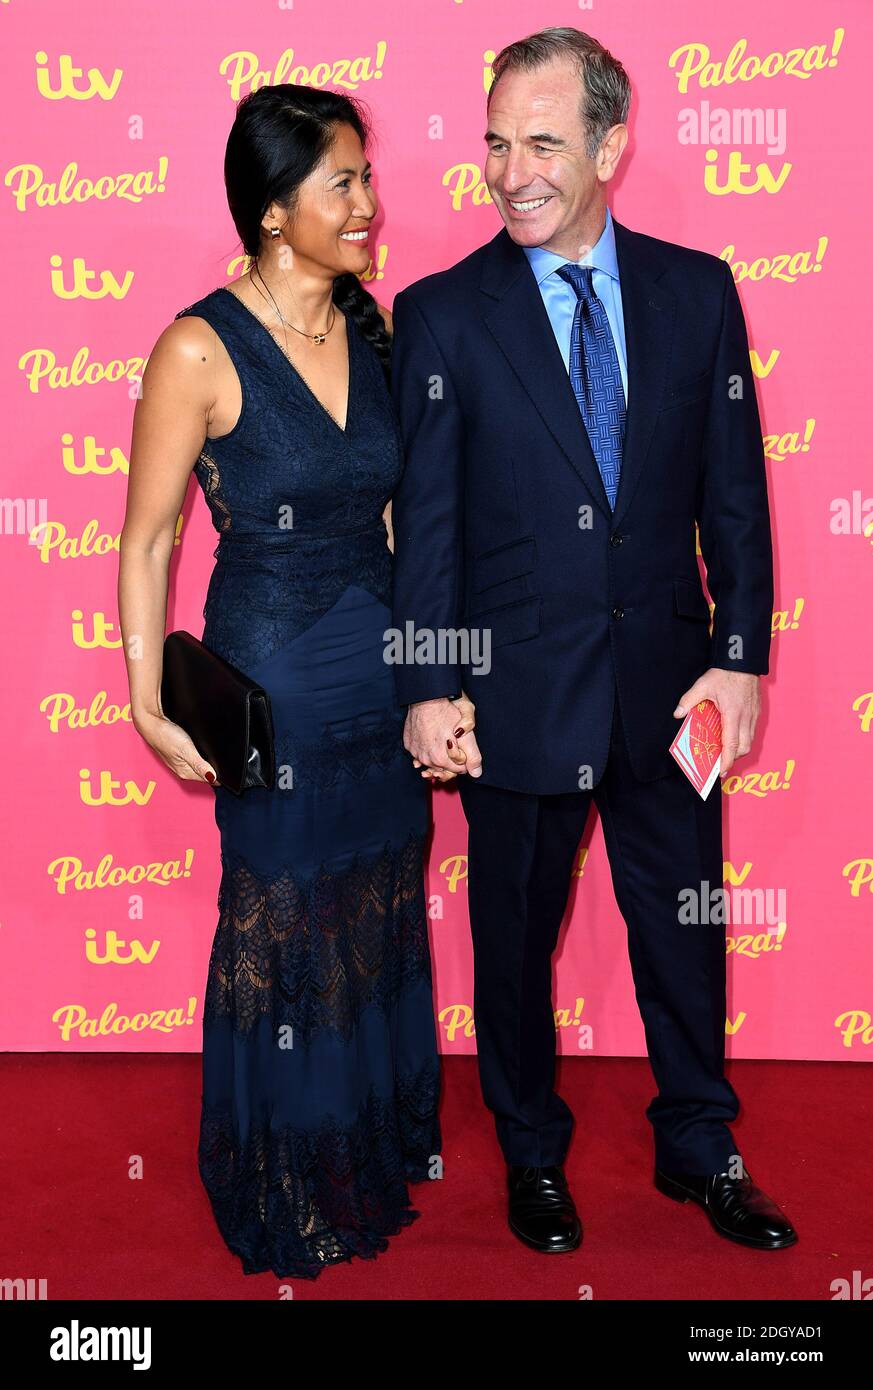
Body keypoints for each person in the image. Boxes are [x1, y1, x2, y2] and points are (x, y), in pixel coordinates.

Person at [390, 27, 797, 1254]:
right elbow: (428, 530)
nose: (510, 173)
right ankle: (531, 1151)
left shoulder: (698, 291)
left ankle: (701, 1145)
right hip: (514, 690)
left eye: (543, 143)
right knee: (514, 942)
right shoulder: (441, 315)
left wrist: (741, 654)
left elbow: (736, 495)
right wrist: (429, 685)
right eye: (495, 144)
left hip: (674, 687)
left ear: (611, 147)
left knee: (685, 926)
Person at [117, 84, 476, 1278]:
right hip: (273, 685)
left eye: (369, 178)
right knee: (283, 920)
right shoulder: (198, 347)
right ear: (274, 212)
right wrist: (146, 699)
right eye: (344, 182)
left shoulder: (378, 333)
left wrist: (435, 677)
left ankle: (368, 1151)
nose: (370, 203)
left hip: (382, 675)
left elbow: (409, 526)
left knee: (375, 906)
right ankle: (284, 1172)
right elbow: (150, 539)